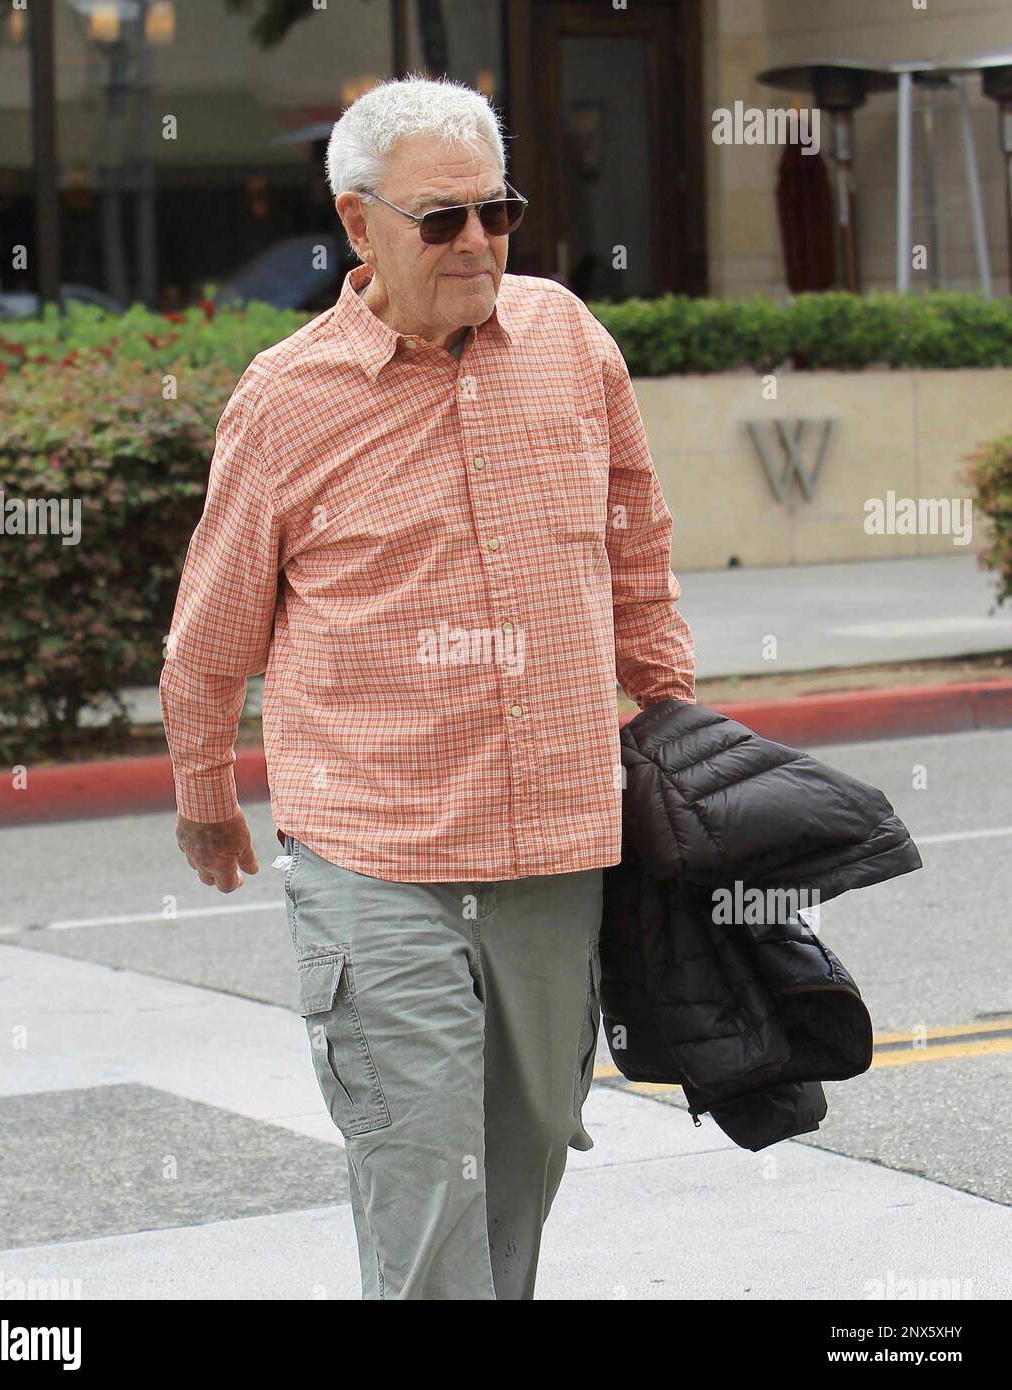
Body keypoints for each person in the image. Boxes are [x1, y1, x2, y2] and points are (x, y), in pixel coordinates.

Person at [159, 74, 696, 1300]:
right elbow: (212, 628)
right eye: (439, 220)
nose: (477, 244)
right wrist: (203, 789)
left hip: (558, 845)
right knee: (423, 1174)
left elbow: (636, 548)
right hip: (377, 852)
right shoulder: (288, 400)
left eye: (495, 213)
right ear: (358, 226)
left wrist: (673, 723)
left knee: (520, 1173)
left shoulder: (570, 341)